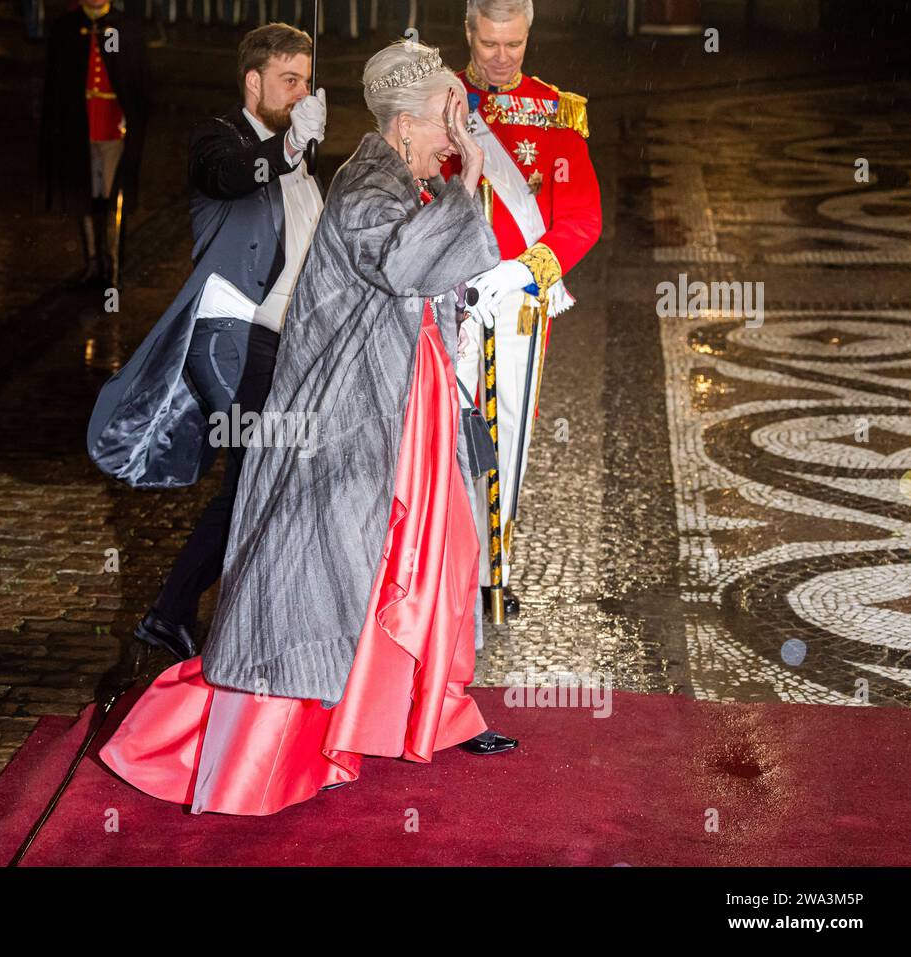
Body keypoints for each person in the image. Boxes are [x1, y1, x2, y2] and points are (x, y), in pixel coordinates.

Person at [100, 40, 517, 818]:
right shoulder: (365, 185)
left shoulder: (400, 178)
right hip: (345, 423)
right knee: (317, 589)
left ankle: (429, 707)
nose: (452, 140)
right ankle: (247, 744)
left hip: (407, 410)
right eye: (445, 125)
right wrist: (475, 182)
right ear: (403, 129)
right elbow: (404, 266)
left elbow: (432, 284)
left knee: (434, 555)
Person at [86, 23, 327, 661]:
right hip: (230, 334)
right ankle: (207, 619)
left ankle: (175, 614)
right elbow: (230, 178)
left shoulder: (300, 155)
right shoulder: (218, 140)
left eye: (308, 81)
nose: (303, 94)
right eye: (289, 81)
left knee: (254, 480)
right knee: (261, 473)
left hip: (280, 342)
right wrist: (285, 150)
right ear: (254, 82)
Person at [443, 0, 602, 619]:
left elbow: (582, 220)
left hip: (519, 302)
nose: (502, 58)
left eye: (514, 44)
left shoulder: (558, 111)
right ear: (468, 33)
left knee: (507, 428)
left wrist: (523, 271)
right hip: (448, 294)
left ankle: (489, 571)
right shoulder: (440, 100)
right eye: (489, 44)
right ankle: (441, 564)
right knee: (442, 429)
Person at [39, 0, 150, 287]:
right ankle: (91, 263)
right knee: (84, 196)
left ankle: (113, 267)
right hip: (79, 126)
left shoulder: (126, 28)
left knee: (115, 200)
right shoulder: (66, 29)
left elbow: (137, 84)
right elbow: (56, 84)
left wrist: (132, 124)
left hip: (114, 127)